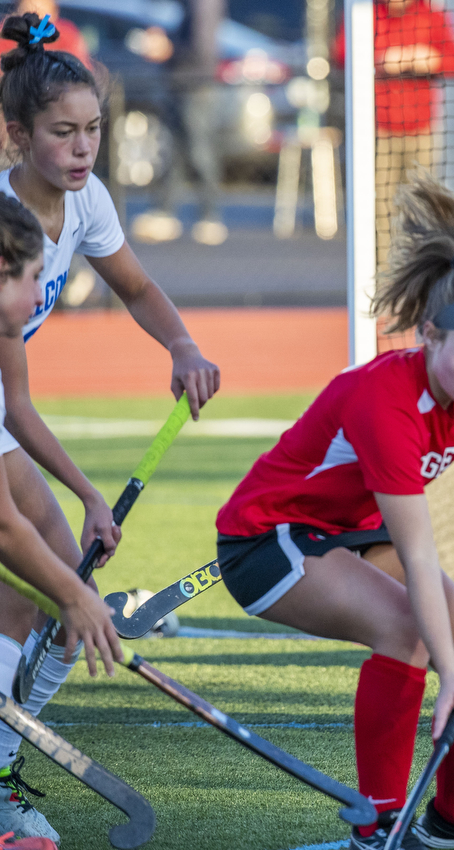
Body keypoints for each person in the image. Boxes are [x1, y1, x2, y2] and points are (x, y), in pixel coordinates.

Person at [215, 174, 454, 850]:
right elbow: (421, 552)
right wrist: (447, 675)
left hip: (352, 534)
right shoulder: (384, 402)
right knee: (410, 631)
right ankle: (378, 825)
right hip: (270, 541)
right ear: (430, 335)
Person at [0, 13, 219, 841]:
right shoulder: (1, 227)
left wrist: (183, 344)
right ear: (17, 136)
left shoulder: (84, 201)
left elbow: (18, 401)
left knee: (57, 601)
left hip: (2, 423)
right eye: (63, 132)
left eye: (94, 129)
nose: (84, 147)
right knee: (49, 597)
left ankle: (0, 771)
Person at [0, 195, 122, 846]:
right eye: (36, 279)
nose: (46, 294)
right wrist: (75, 596)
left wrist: (88, 497)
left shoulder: (3, 333)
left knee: (18, 600)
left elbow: (15, 411)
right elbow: (4, 528)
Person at [333, 0, 454, 271]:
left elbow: (453, 59)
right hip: (378, 129)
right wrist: (382, 58)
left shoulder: (430, 13)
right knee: (379, 208)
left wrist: (426, 58)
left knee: (422, 206)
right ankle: (383, 274)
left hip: (421, 128)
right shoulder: (366, 12)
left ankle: (420, 272)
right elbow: (342, 53)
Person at [129, 0, 229, 246]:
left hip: (195, 85)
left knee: (199, 150)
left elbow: (200, 48)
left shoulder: (203, 5)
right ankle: (167, 212)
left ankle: (209, 215)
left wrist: (167, 48)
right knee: (172, 150)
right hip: (184, 83)